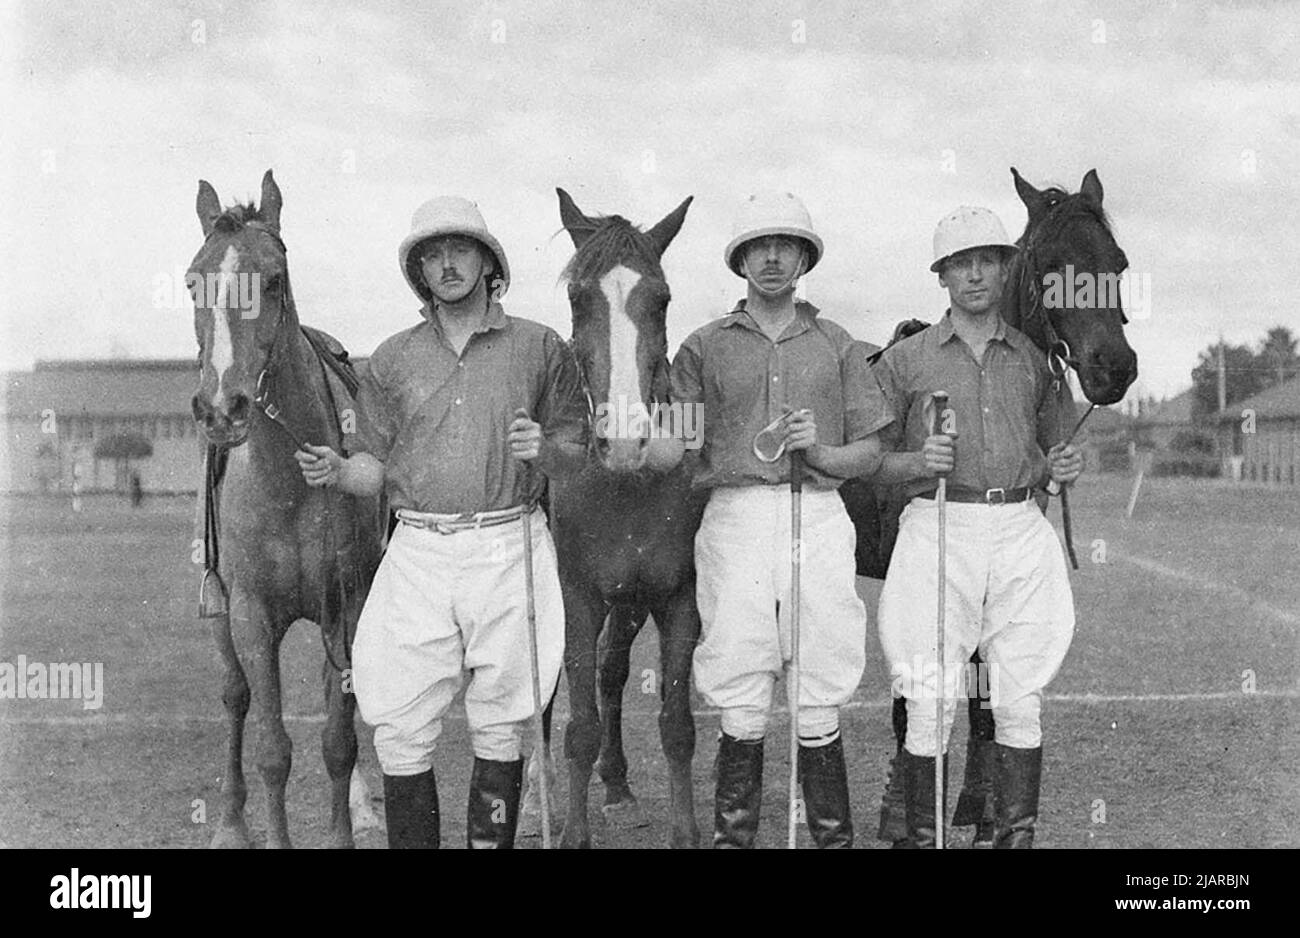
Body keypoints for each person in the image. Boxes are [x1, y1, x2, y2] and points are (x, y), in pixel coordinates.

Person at [294, 196, 587, 849]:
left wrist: (545, 449)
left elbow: (576, 454)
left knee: (503, 719)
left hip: (509, 541)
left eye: (460, 249)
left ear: (488, 261)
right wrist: (342, 474)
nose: (447, 263)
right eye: (432, 254)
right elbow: (375, 463)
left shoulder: (540, 347)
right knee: (399, 723)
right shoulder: (393, 357)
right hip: (419, 550)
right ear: (419, 270)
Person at [671, 192, 889, 848]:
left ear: (803, 258)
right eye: (757, 247)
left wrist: (818, 450)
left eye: (784, 245)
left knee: (818, 685)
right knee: (740, 686)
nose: (771, 257)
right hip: (735, 516)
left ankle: (831, 840)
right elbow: (677, 446)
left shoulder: (838, 344)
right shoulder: (702, 347)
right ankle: (733, 840)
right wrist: (620, 435)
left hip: (817, 515)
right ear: (739, 259)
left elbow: (872, 451)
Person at [869, 205, 1083, 848]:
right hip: (936, 527)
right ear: (941, 276)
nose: (974, 275)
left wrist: (1060, 465)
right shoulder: (903, 362)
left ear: (1006, 267)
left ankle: (1013, 840)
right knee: (929, 701)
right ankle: (927, 839)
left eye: (986, 260)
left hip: (1018, 527)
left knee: (1018, 700)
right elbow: (866, 462)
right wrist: (914, 461)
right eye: (960, 264)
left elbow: (1052, 455)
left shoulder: (1038, 362)